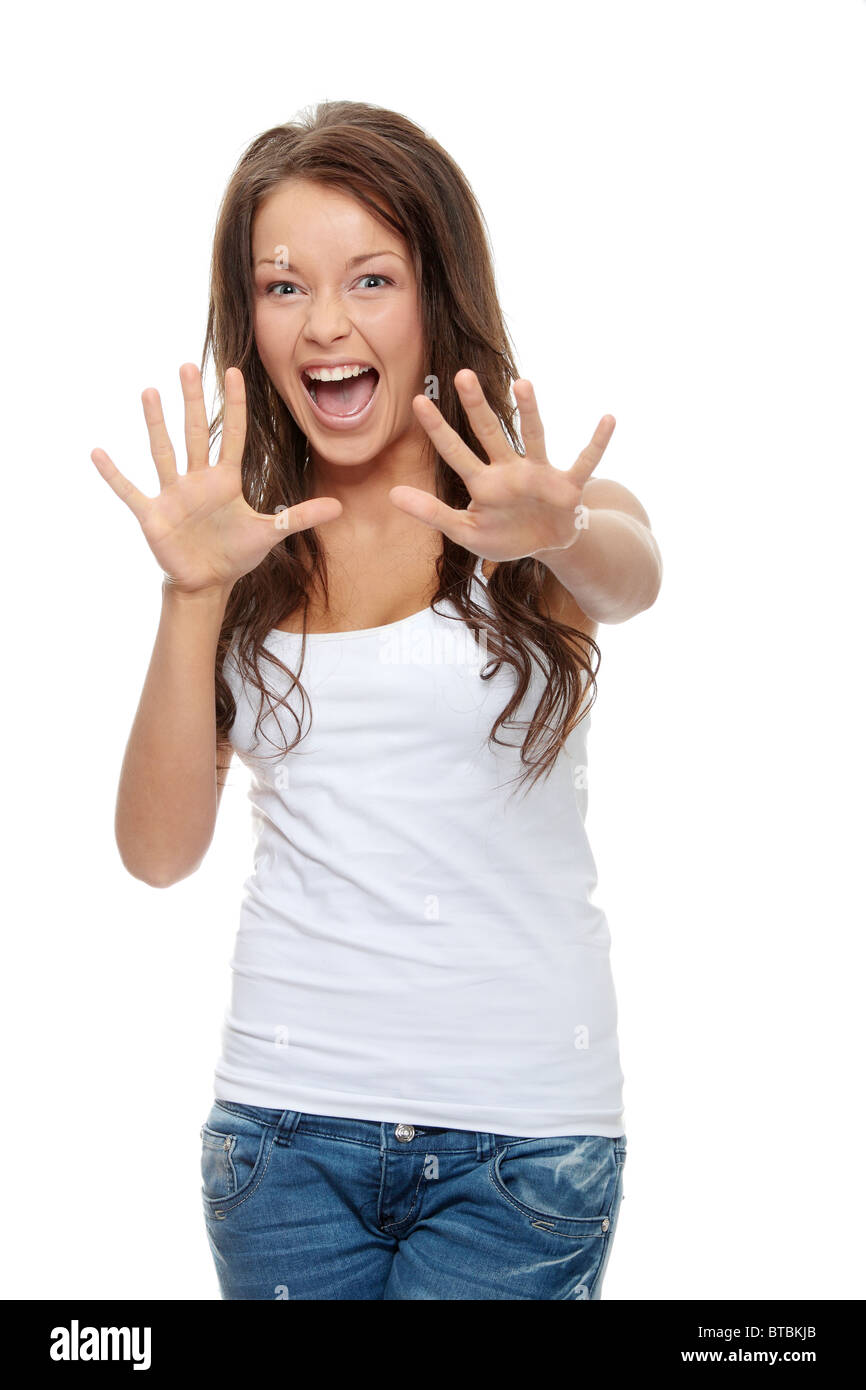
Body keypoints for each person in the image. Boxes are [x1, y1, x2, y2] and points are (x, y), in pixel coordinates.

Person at [92, 100, 662, 1301]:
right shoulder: (239, 546)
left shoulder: (532, 510)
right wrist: (190, 594)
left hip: (522, 1144)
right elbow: (155, 854)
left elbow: (633, 574)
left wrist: (558, 530)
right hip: (283, 1139)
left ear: (434, 295)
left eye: (372, 279)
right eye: (283, 286)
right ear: (247, 316)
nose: (328, 324)